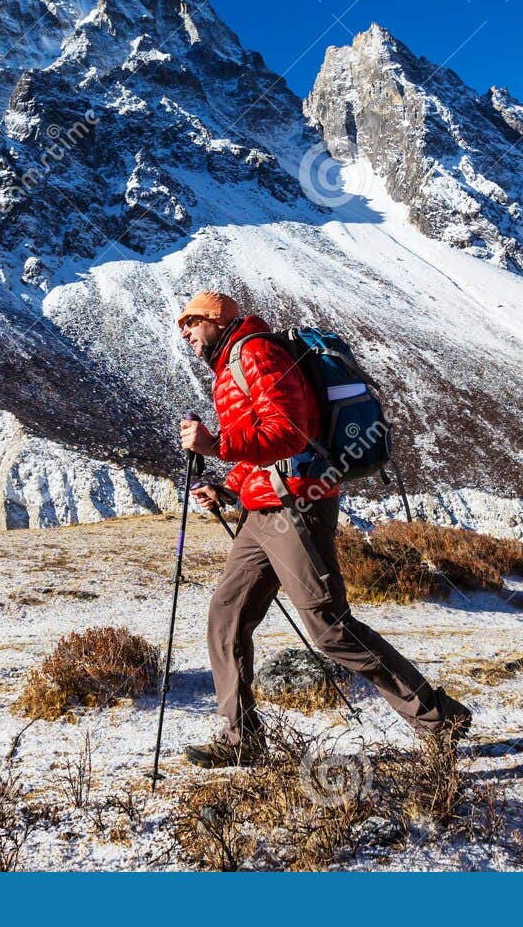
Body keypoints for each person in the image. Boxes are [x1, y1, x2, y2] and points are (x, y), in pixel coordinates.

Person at [175, 289, 472, 768]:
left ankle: (439, 718)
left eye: (189, 323)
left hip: (296, 505)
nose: (185, 334)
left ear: (215, 318)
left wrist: (215, 444)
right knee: (226, 615)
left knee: (329, 628)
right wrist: (228, 489)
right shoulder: (232, 363)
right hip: (262, 508)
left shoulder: (257, 352)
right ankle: (241, 738)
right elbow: (262, 445)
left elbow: (289, 431)